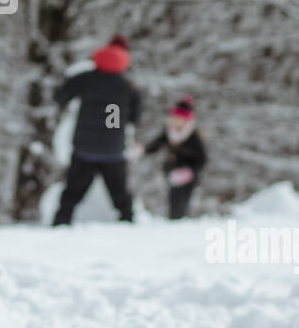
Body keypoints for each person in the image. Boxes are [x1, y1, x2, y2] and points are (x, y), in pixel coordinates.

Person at [51, 35, 141, 225]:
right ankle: (129, 225)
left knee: (72, 193)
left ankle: (60, 225)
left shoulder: (86, 78)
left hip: (85, 147)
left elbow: (60, 96)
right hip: (113, 149)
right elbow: (135, 117)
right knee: (120, 195)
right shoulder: (128, 86)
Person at [138, 96, 207, 219]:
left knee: (183, 199)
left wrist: (191, 170)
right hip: (172, 170)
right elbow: (157, 144)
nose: (176, 121)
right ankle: (174, 220)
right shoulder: (169, 132)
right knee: (173, 198)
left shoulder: (193, 135)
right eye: (175, 118)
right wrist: (143, 150)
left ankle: (180, 220)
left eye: (179, 119)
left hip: (188, 173)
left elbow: (202, 158)